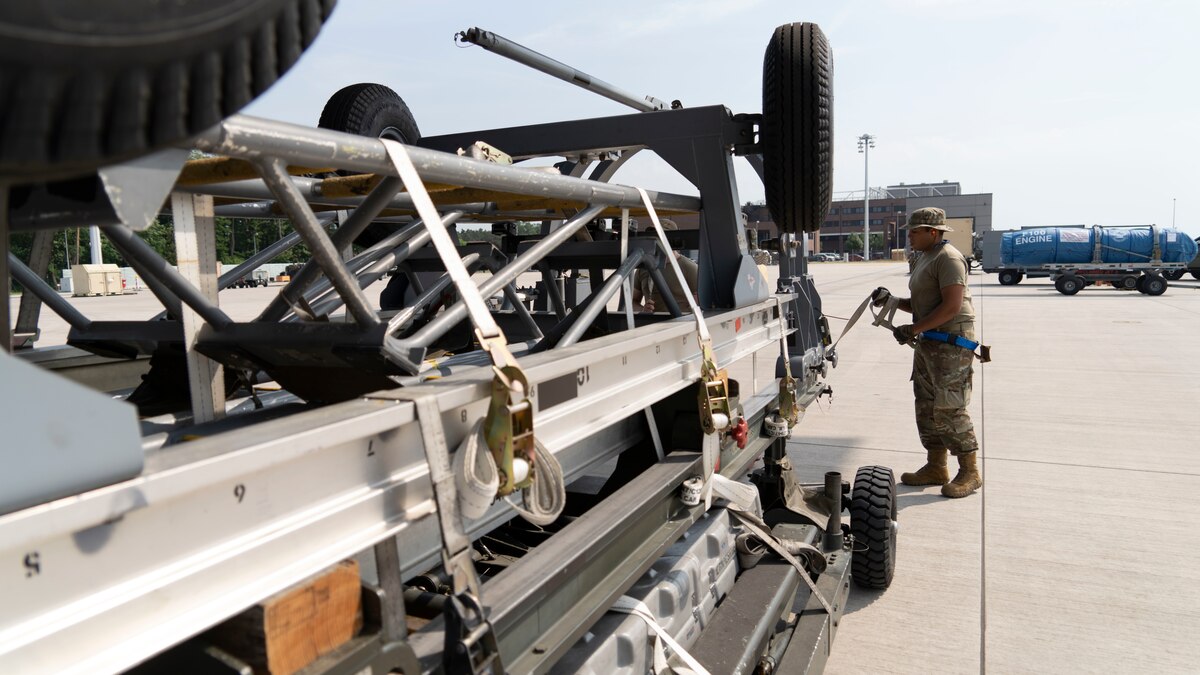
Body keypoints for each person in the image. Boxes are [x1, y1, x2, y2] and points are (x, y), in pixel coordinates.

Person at [875, 207, 982, 498]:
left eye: (915, 231)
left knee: (949, 406)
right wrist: (894, 301)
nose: (909, 235)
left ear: (932, 233)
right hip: (929, 341)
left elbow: (951, 307)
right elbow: (924, 303)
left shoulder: (949, 259)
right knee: (926, 404)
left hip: (950, 344)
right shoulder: (925, 257)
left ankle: (970, 472)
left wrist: (913, 329)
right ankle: (936, 466)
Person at [631, 219, 699, 313]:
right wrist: (643, 310)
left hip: (679, 325)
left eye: (661, 236)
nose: (656, 240)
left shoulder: (689, 268)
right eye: (653, 236)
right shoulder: (643, 268)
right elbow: (632, 302)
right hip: (651, 325)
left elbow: (699, 307)